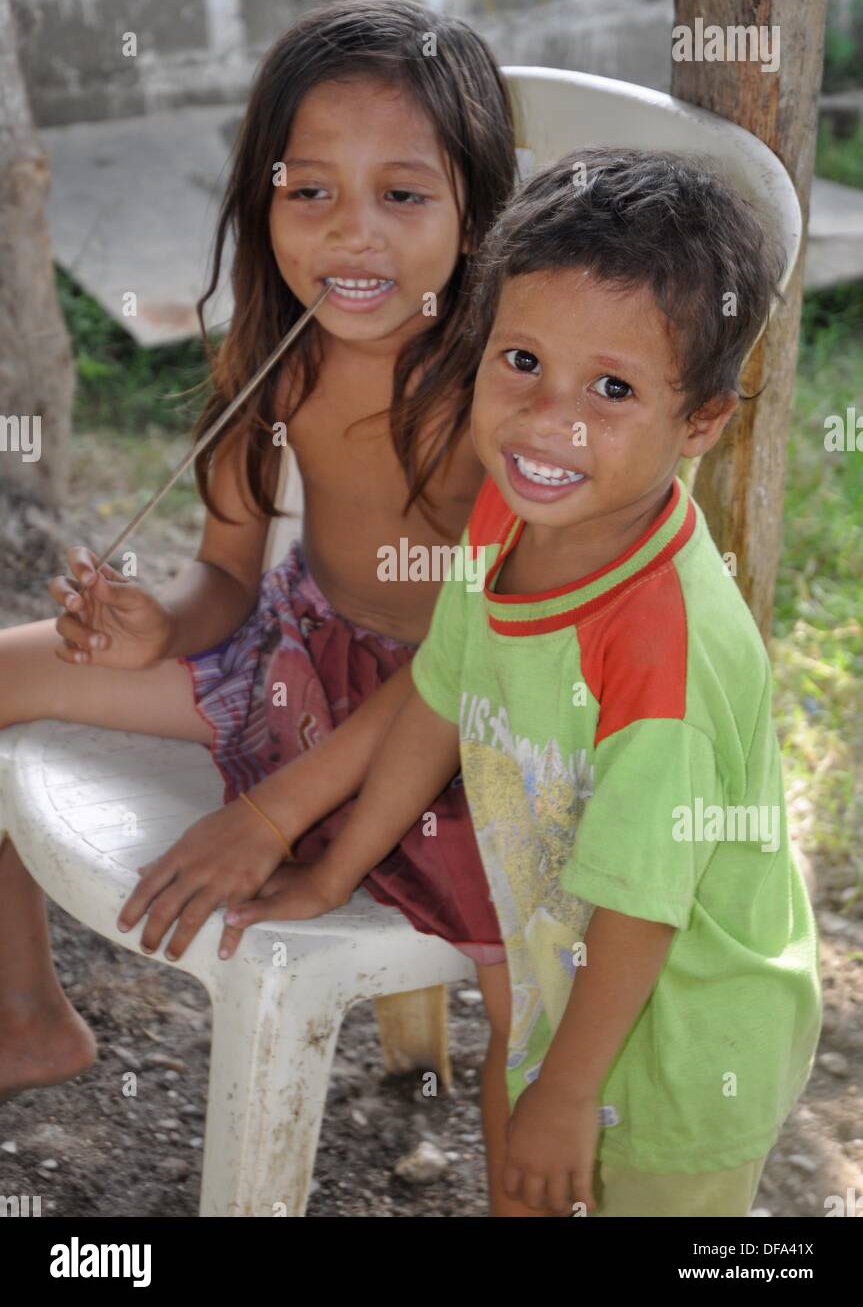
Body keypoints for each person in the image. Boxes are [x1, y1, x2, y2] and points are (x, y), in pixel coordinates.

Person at [225, 148, 823, 1217]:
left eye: (611, 389)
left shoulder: (660, 641)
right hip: (569, 996)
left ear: (699, 424)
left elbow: (641, 910)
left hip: (681, 1056)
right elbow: (440, 697)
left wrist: (566, 1091)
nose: (550, 421)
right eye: (519, 362)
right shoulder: (508, 514)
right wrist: (329, 872)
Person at [0, 0, 517, 1100]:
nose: (350, 231)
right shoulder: (277, 355)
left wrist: (271, 811)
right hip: (291, 655)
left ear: (475, 218)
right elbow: (228, 574)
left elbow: (465, 658)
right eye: (310, 190)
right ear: (261, 201)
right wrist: (160, 625)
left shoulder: (496, 404)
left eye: (402, 194)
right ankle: (25, 1015)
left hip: (443, 721)